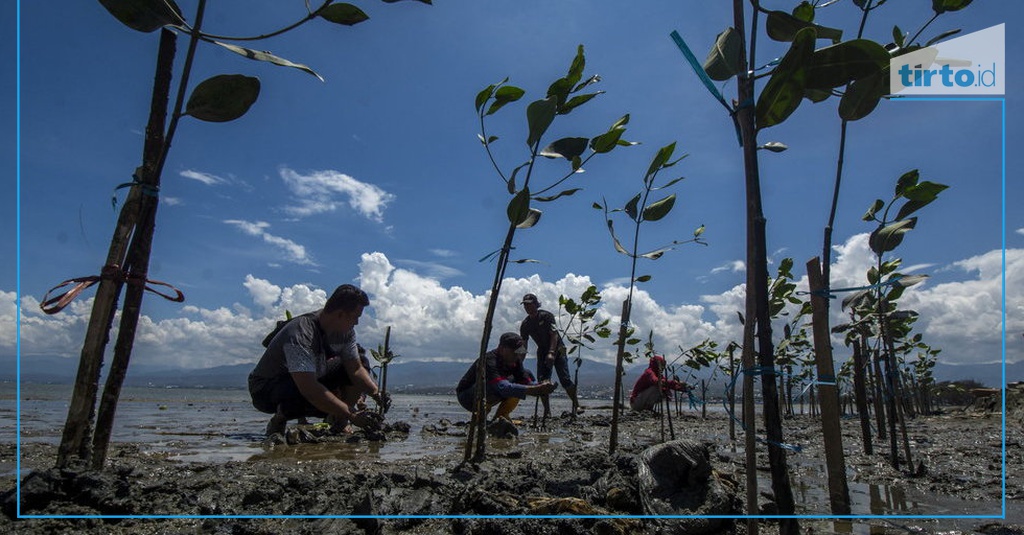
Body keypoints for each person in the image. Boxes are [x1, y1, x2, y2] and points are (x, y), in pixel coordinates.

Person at [248, 284, 390, 436]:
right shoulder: (301, 332)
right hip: (267, 389)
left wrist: (376, 393)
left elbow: (355, 369)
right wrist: (353, 415)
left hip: (312, 377)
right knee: (302, 391)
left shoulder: (346, 333)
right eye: (356, 317)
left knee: (361, 361)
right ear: (340, 314)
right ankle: (279, 419)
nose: (356, 323)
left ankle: (339, 421)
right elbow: (309, 388)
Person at [456, 332, 556, 421]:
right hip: (467, 396)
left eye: (519, 353)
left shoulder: (516, 360)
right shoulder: (489, 360)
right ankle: (480, 417)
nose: (517, 356)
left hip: (494, 390)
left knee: (525, 375)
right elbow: (503, 388)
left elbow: (526, 382)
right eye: (514, 352)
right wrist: (534, 389)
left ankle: (501, 417)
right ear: (502, 349)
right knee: (498, 386)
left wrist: (541, 385)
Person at [519, 293, 580, 417]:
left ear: (536, 304)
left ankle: (577, 405)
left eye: (530, 304)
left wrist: (552, 353)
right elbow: (524, 345)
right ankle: (547, 411)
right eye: (525, 305)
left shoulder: (546, 316)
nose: (527, 307)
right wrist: (519, 362)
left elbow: (554, 334)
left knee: (565, 379)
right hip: (542, 351)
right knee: (543, 381)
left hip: (557, 348)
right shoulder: (525, 324)